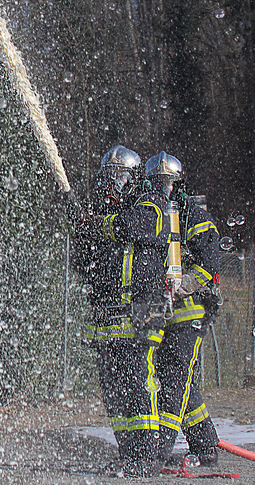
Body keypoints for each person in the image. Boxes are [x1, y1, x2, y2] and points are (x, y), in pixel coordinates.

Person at [73, 145, 168, 477]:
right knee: (113, 393)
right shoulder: (101, 212)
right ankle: (127, 453)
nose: (116, 183)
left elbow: (131, 227)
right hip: (107, 319)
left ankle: (146, 456)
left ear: (136, 177)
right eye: (111, 176)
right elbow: (83, 265)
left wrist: (95, 224)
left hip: (140, 314)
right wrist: (79, 229)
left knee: (139, 385)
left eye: (122, 176)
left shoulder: (152, 204)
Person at [143, 152, 222, 468]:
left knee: (175, 379)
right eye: (156, 183)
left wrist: (183, 284)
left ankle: (158, 452)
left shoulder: (195, 218)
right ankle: (205, 446)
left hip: (190, 311)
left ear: (179, 185)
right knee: (178, 378)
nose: (163, 190)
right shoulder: (152, 215)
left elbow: (210, 267)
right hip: (163, 312)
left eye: (168, 183)